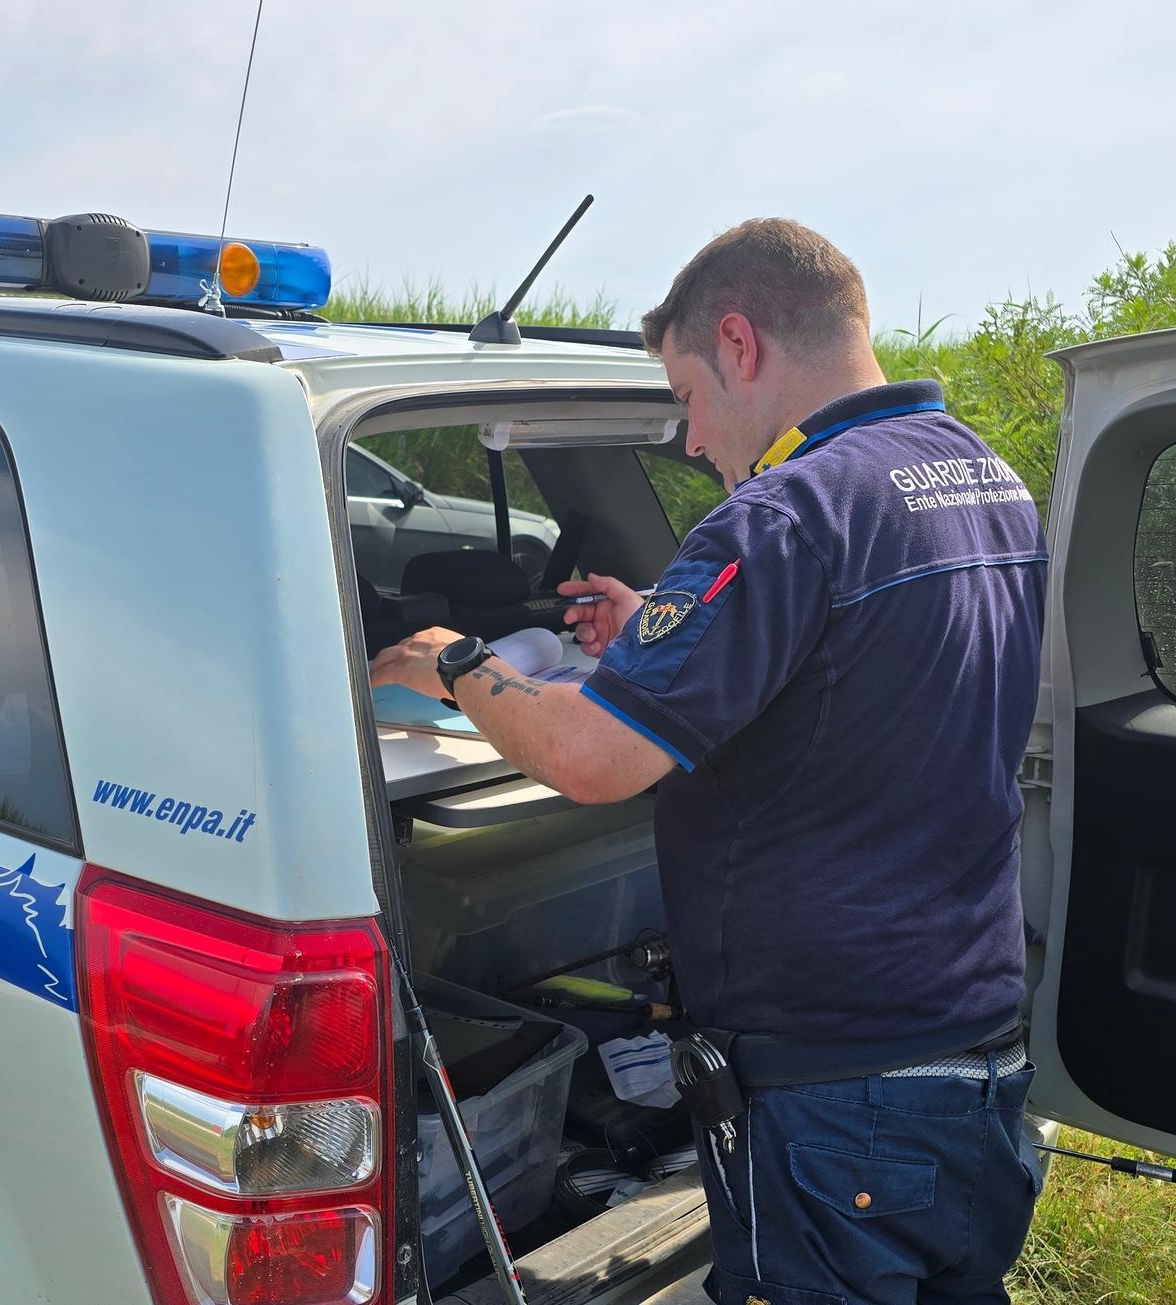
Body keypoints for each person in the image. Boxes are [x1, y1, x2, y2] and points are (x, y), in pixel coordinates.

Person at [369, 218, 1048, 1304]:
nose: (689, 440)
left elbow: (591, 760)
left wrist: (453, 665)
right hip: (973, 1051)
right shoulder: (977, 474)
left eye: (684, 394)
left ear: (740, 342)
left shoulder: (782, 516)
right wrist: (670, 632)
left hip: (839, 1086)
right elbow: (876, 672)